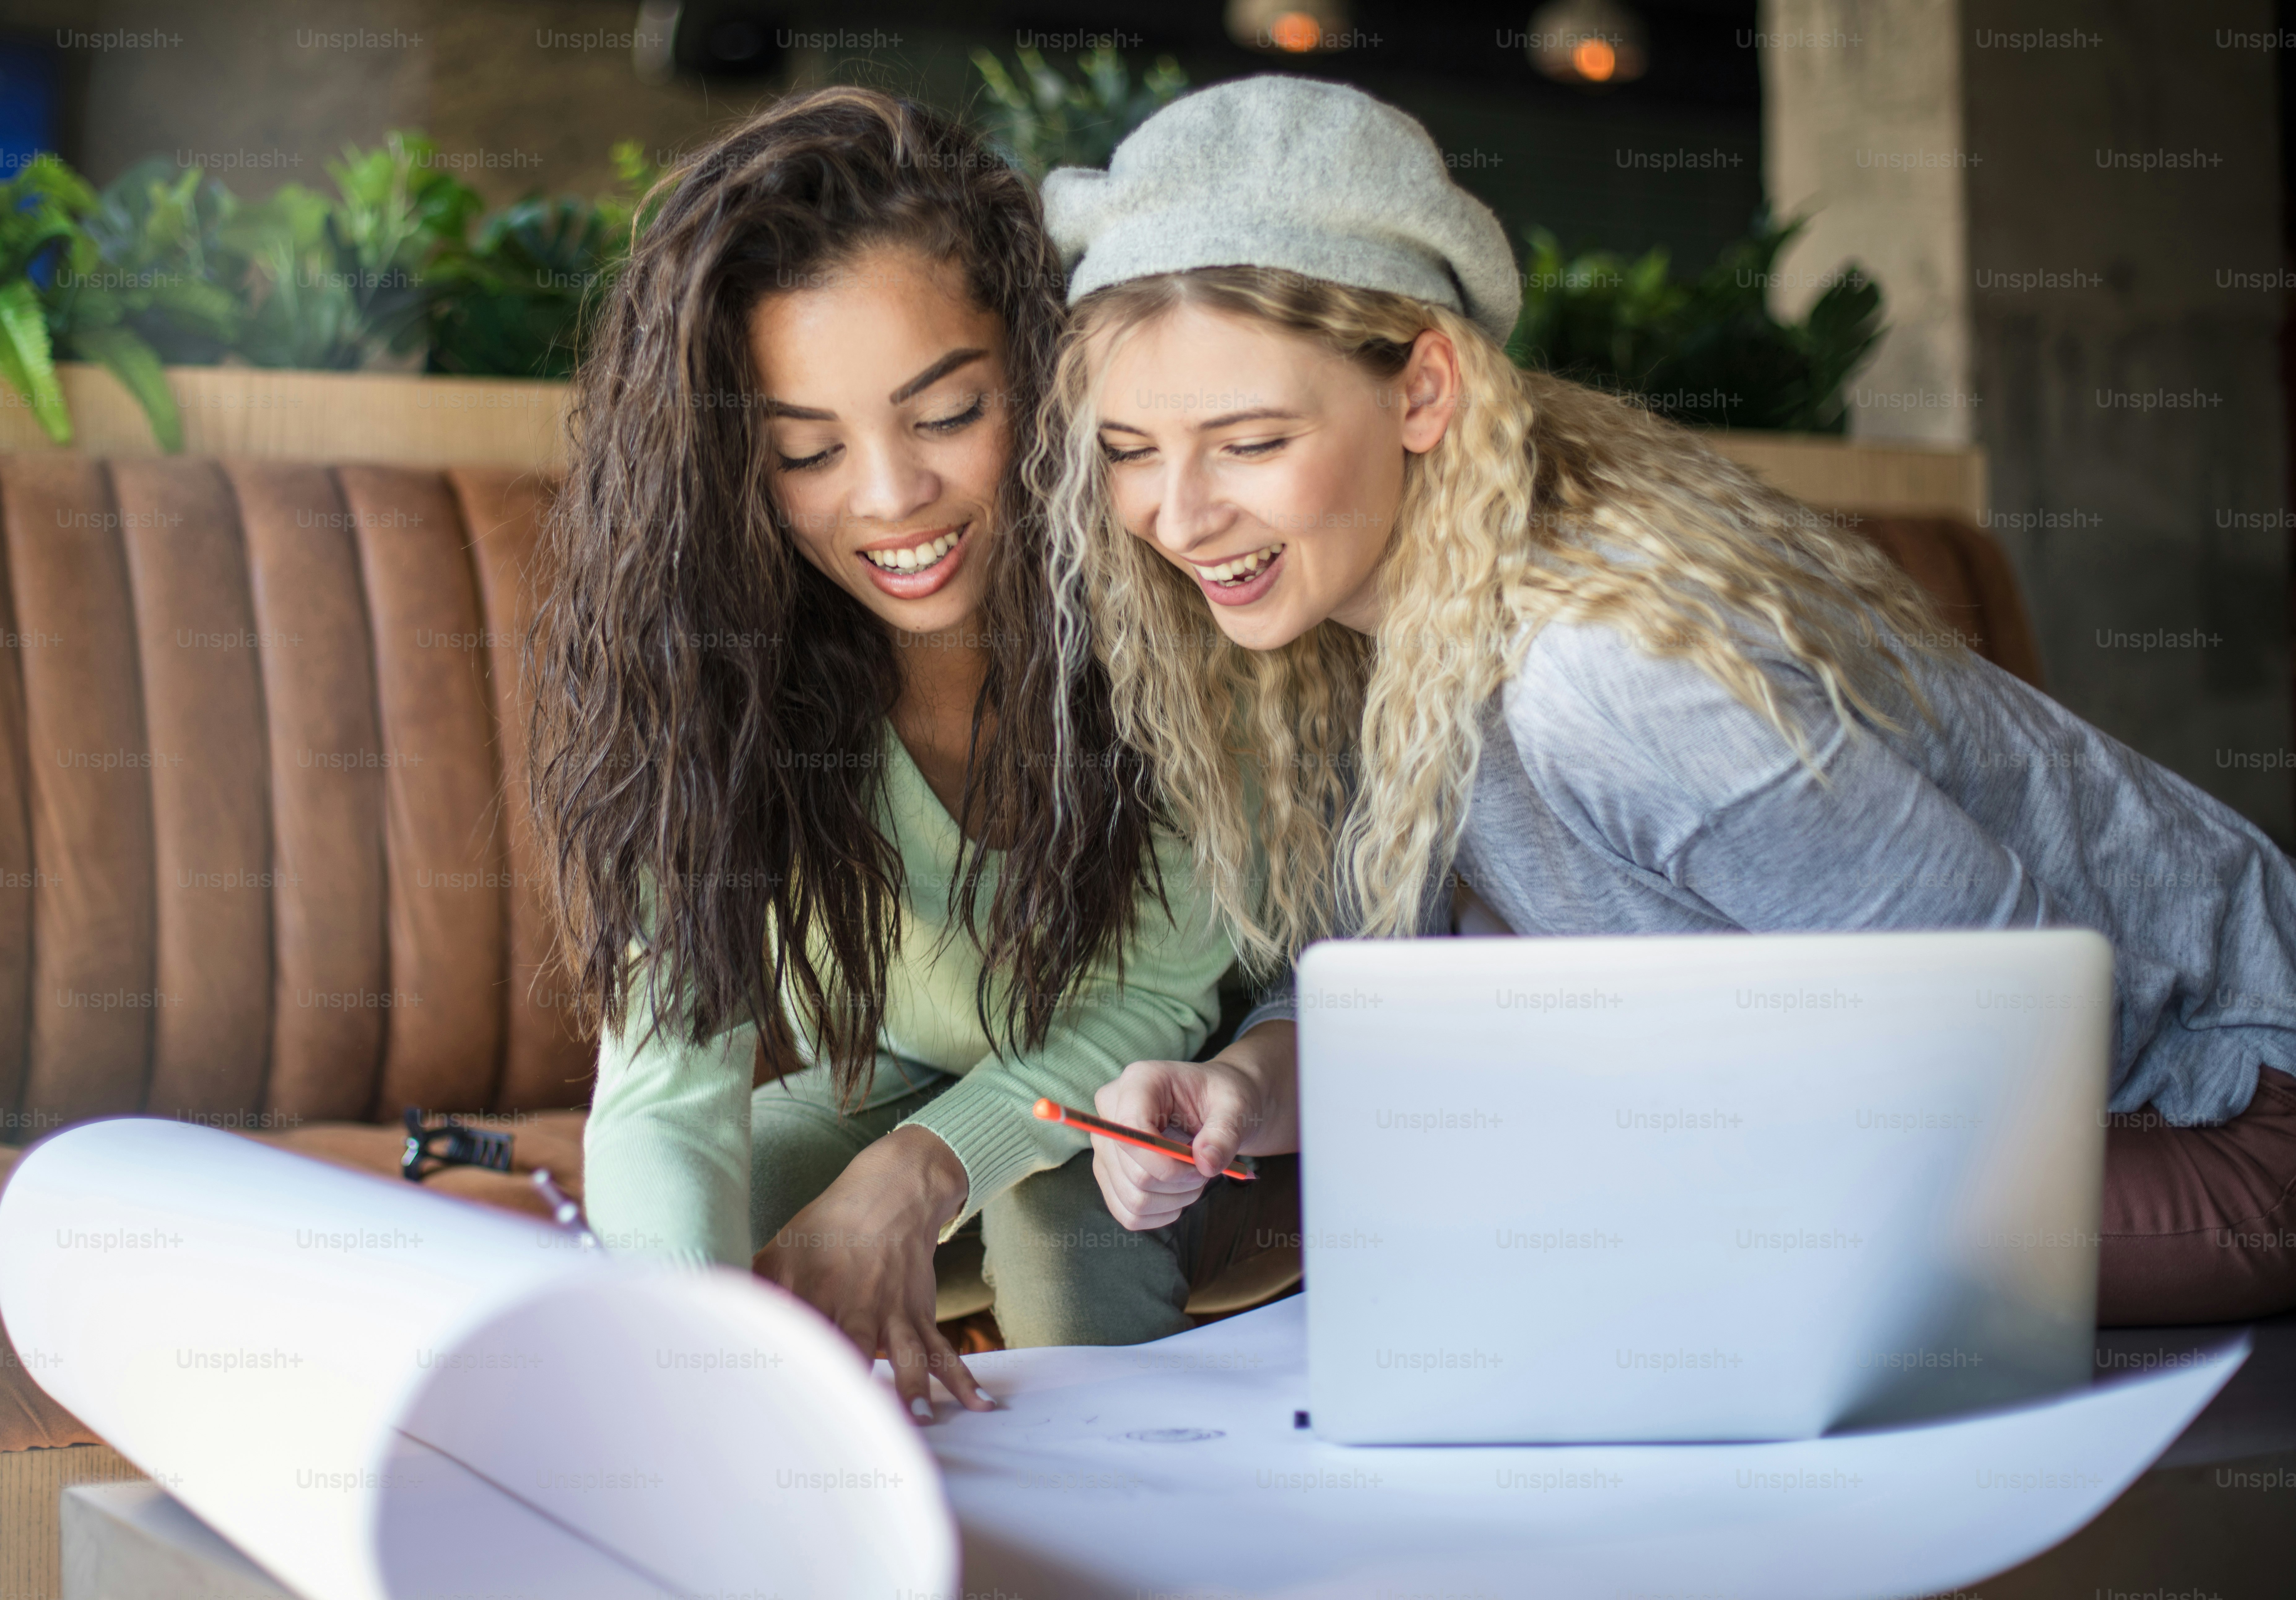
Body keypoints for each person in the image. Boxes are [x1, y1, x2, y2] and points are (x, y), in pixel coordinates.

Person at [1032, 75, 2296, 1326]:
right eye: (1133, 450)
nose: (1179, 517)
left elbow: (2010, 1021)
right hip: (1998, 1122)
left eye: (1250, 443)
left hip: (2217, 1112)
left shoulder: (1602, 672)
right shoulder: (1350, 629)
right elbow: (1398, 1002)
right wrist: (1244, 1088)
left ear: (1424, 392)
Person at [528, 87, 1290, 1422]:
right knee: (677, 1258)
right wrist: (686, 1397)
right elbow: (667, 1091)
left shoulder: (1165, 601)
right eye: (807, 450)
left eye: (945, 417)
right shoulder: (718, 674)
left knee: (1058, 1222)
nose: (888, 499)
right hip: (902, 1075)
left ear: (1044, 373)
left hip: (1173, 1096)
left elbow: (1151, 1002)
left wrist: (916, 1175)